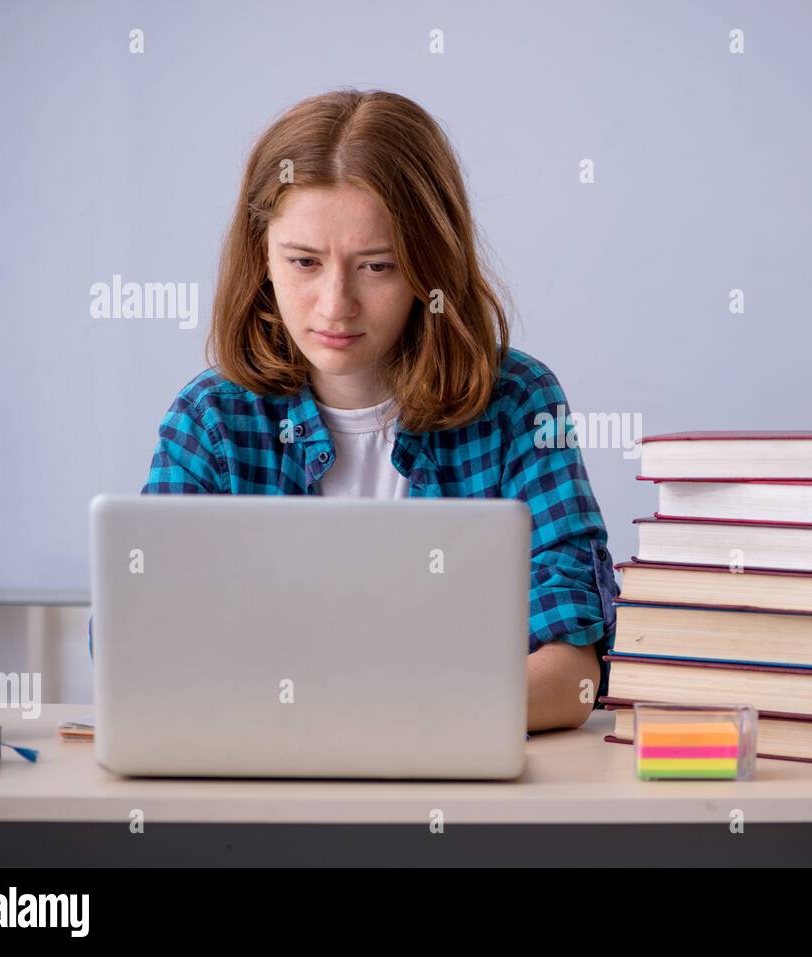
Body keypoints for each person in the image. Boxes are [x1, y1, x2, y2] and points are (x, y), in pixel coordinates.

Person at [131, 89, 618, 731]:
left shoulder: (518, 405)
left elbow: (574, 676)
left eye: (378, 267)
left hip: (458, 790)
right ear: (261, 259)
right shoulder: (212, 420)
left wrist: (380, 718)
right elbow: (133, 645)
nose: (336, 305)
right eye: (303, 262)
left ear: (431, 266)